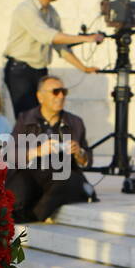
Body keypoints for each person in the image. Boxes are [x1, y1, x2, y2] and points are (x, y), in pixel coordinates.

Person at [2, 0, 103, 117]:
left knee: (44, 117)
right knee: (27, 119)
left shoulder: (51, 13)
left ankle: (44, 142)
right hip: (20, 71)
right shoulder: (26, 10)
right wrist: (86, 38)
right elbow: (48, 36)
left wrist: (83, 68)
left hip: (40, 71)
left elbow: (60, 46)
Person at [6, 75, 95, 223]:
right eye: (55, 91)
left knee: (70, 180)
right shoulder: (25, 119)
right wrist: (37, 152)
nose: (60, 96)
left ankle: (34, 216)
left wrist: (79, 153)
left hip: (62, 174)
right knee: (19, 185)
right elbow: (10, 154)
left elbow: (87, 159)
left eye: (63, 92)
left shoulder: (75, 122)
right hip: (34, 172)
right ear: (40, 97)